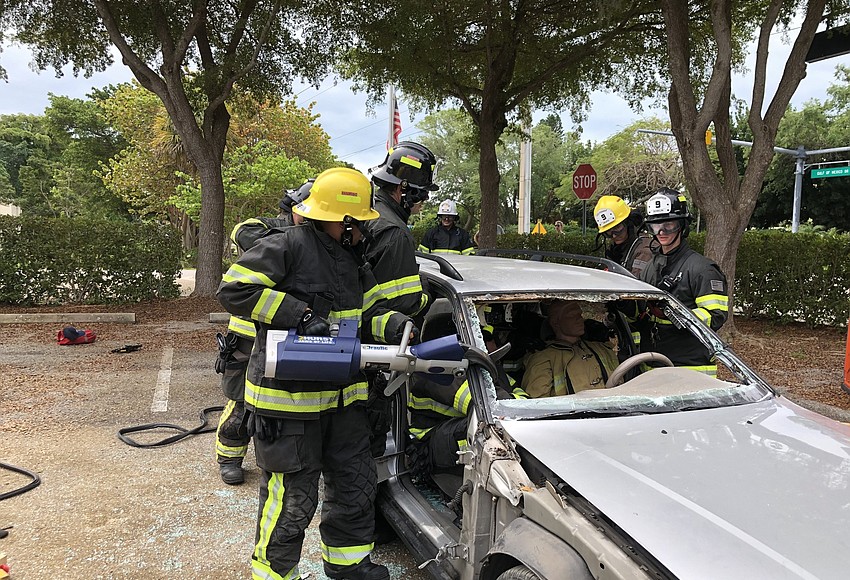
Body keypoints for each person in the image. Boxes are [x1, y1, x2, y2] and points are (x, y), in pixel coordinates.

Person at [217, 167, 414, 580]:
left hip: (346, 405)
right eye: (360, 223)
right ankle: (273, 575)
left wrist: (394, 326)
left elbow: (370, 312)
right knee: (293, 500)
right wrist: (298, 314)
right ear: (341, 222)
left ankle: (349, 567)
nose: (365, 231)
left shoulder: (355, 262)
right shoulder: (287, 246)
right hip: (289, 408)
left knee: (355, 489)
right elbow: (234, 289)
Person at [214, 179, 313, 485]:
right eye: (304, 213)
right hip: (247, 334)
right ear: (292, 207)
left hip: (289, 333)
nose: (309, 220)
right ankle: (229, 456)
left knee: (283, 402)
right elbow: (242, 233)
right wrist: (299, 239)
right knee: (241, 400)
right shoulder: (263, 228)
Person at [364, 141, 438, 456]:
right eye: (421, 194)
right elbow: (404, 302)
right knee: (369, 449)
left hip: (353, 338)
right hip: (377, 350)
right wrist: (430, 297)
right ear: (403, 189)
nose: (422, 202)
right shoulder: (395, 232)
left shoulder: (368, 214)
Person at [639, 188, 729, 376]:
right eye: (655, 226)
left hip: (691, 368)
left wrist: (674, 314)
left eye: (669, 225)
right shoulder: (649, 267)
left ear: (681, 225)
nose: (661, 231)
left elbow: (716, 316)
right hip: (653, 363)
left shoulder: (702, 269)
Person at [521, 300, 619, 397]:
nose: (580, 319)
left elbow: (621, 383)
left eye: (580, 315)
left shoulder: (601, 349)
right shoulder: (542, 358)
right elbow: (537, 405)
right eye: (572, 316)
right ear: (555, 322)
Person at [593, 195, 653, 278]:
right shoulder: (618, 248)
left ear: (628, 223)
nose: (614, 235)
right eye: (608, 232)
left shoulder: (644, 250)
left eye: (617, 229)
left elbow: (636, 284)